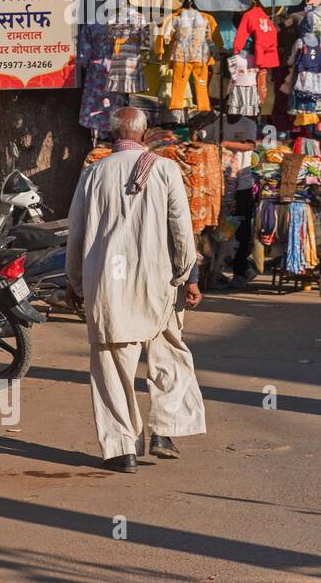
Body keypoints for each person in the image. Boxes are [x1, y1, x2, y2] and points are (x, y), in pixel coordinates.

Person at [66, 106, 207, 472]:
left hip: (108, 285)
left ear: (113, 135)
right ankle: (165, 429)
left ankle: (123, 448)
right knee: (170, 355)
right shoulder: (164, 169)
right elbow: (181, 227)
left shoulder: (94, 173)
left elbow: (76, 233)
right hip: (158, 282)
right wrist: (187, 274)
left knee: (113, 365)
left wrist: (75, 282)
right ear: (144, 134)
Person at [196, 111, 258, 287]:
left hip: (241, 184)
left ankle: (241, 270)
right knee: (217, 229)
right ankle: (214, 270)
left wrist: (226, 144)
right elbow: (201, 137)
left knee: (241, 229)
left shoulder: (248, 124)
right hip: (218, 184)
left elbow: (250, 145)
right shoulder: (219, 122)